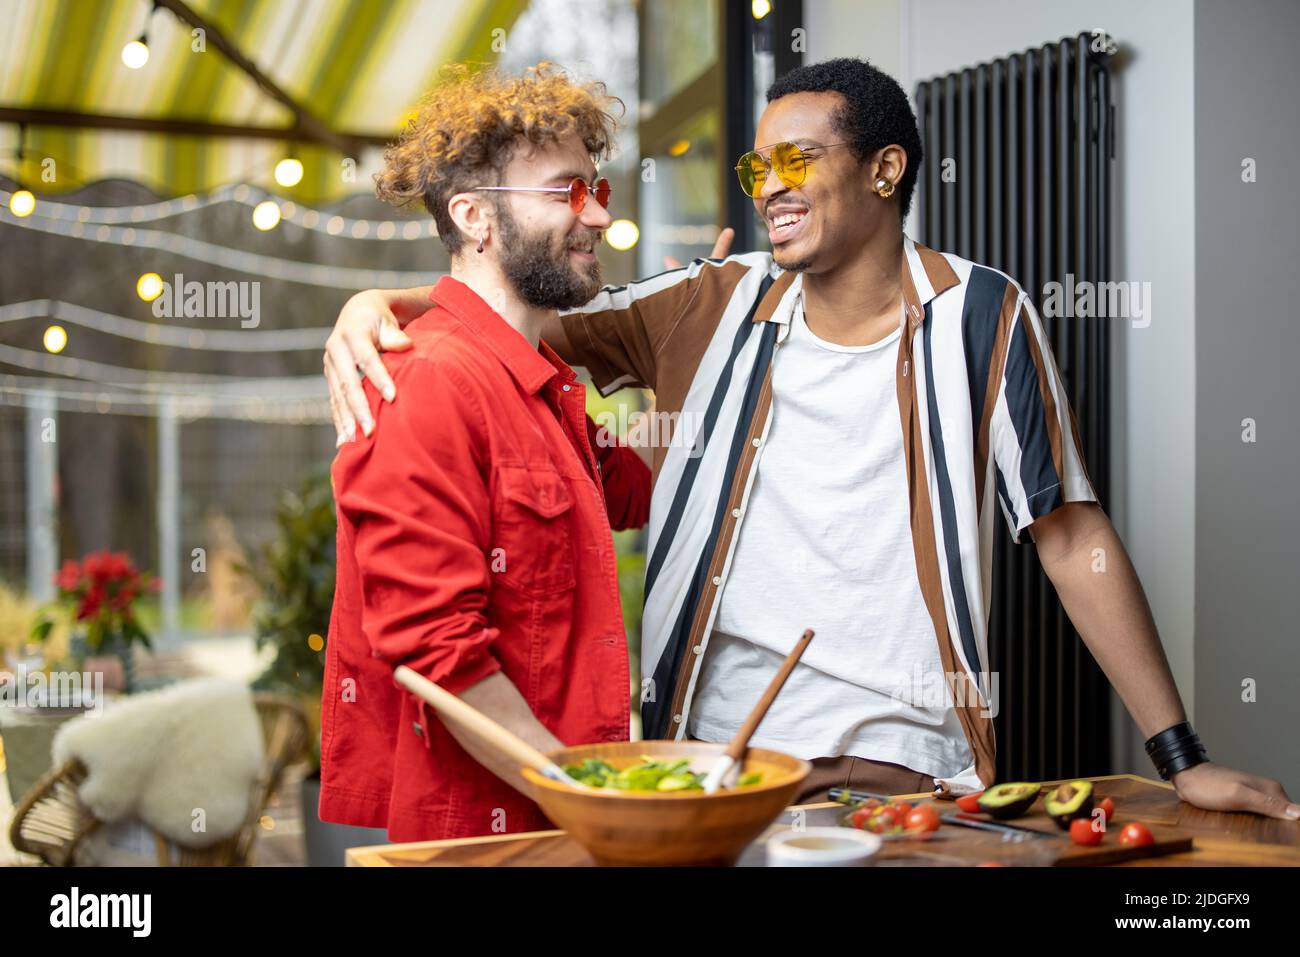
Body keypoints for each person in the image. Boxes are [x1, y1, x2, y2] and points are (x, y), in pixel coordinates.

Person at [324, 58, 1299, 821]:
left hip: (904, 764)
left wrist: (1180, 756)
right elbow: (509, 310)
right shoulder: (700, 303)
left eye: (798, 160)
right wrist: (376, 303)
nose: (769, 187)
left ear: (885, 169)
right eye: (758, 167)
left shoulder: (979, 317)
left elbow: (1071, 537)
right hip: (706, 767)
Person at [319, 64, 650, 842]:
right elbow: (439, 657)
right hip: (489, 838)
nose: (598, 217)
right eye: (567, 191)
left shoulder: (537, 384)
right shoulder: (428, 381)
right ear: (475, 217)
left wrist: (708, 342)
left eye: (597, 191)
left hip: (553, 828)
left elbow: (637, 491)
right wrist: (590, 795)